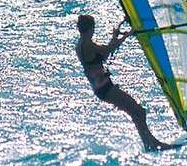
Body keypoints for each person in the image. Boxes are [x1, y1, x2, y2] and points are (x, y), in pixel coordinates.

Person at [74, 13, 174, 151]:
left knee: (137, 112)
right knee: (138, 112)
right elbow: (108, 49)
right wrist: (127, 34)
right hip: (105, 88)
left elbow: (104, 54)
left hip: (102, 88)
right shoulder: (87, 45)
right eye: (93, 28)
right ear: (90, 28)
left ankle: (150, 142)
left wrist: (116, 36)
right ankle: (151, 144)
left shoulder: (80, 45)